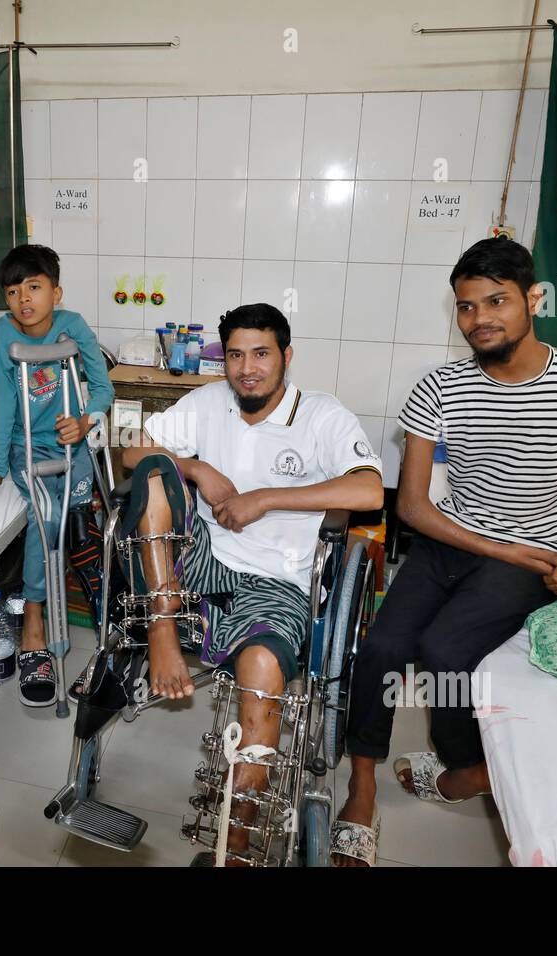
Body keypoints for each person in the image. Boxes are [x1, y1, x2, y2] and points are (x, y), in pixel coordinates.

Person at [331, 238, 557, 867]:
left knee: (444, 650)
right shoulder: (439, 387)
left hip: (535, 553)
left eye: (496, 301)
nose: (479, 319)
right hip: (452, 540)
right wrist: (500, 547)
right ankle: (362, 786)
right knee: (381, 647)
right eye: (466, 307)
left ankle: (466, 770)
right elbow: (412, 508)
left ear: (534, 300)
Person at [121, 303, 384, 863]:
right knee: (154, 475)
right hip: (200, 559)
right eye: (235, 356)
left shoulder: (320, 414)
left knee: (263, 667)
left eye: (261, 354)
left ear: (286, 357)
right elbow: (132, 452)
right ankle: (162, 630)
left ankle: (235, 841)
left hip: (277, 578)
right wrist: (196, 468)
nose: (247, 369)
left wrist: (264, 498)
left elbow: (367, 492)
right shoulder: (210, 402)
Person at [0, 244, 112, 707]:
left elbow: (102, 386)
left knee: (71, 519)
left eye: (34, 286)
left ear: (55, 291)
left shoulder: (74, 327)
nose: (23, 298)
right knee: (44, 516)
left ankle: (95, 619)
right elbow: (4, 405)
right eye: (13, 291)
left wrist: (85, 420)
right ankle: (33, 629)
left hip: (72, 445)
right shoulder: (4, 334)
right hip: (30, 445)